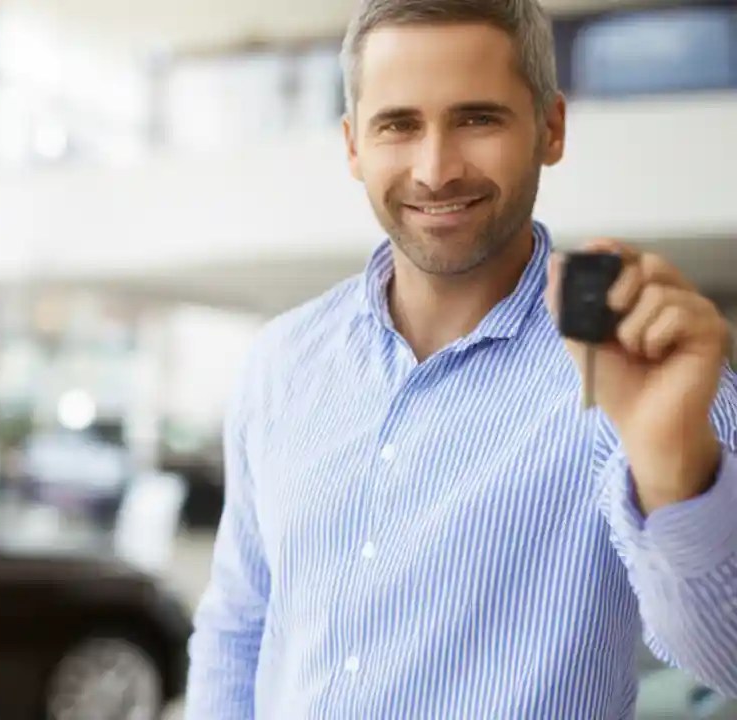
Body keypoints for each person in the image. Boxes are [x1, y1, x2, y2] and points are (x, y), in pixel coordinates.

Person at [184, 1, 737, 718]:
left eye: (477, 119)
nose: (436, 169)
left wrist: (669, 459)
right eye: (398, 124)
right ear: (353, 145)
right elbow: (237, 628)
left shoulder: (646, 382)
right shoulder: (280, 362)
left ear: (551, 128)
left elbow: (726, 656)